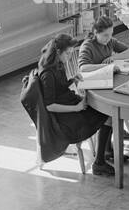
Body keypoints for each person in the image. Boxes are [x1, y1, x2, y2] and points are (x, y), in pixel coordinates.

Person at [25, 33, 116, 176]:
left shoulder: (56, 63)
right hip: (63, 117)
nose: (69, 57)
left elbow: (58, 87)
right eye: (67, 53)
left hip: (68, 103)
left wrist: (72, 79)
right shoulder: (47, 74)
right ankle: (100, 161)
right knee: (106, 113)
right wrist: (76, 108)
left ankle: (106, 151)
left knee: (106, 112)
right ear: (58, 52)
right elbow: (49, 106)